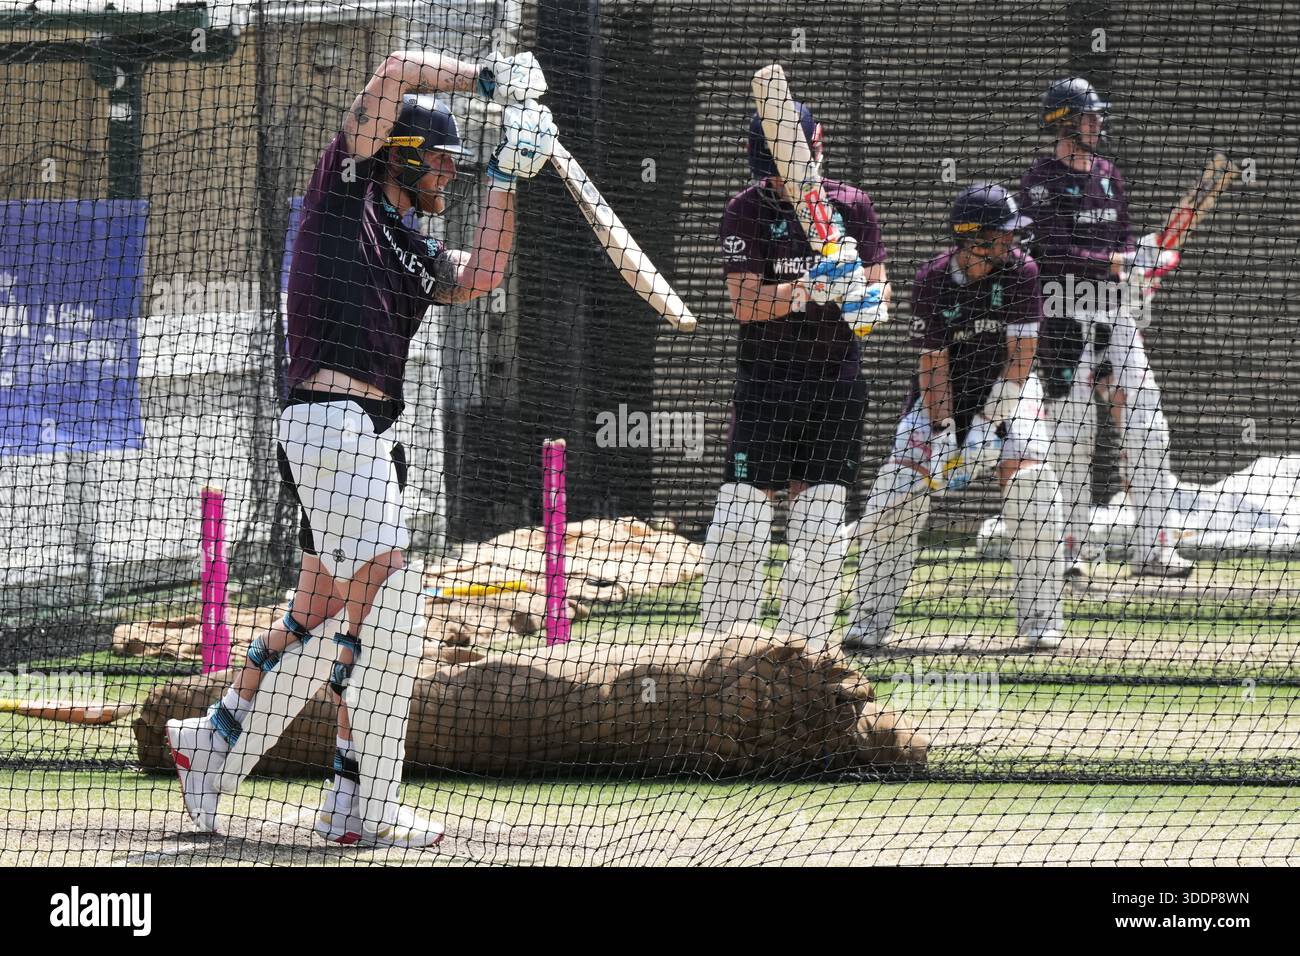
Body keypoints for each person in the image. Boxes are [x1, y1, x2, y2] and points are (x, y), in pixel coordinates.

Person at [165, 49, 556, 847]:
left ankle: (213, 738)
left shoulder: (413, 247)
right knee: (391, 607)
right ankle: (357, 804)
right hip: (331, 421)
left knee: (318, 613)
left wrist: (510, 179)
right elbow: (395, 70)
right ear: (403, 155)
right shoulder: (344, 190)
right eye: (442, 164)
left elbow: (479, 275)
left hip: (360, 436)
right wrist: (484, 82)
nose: (449, 179)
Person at [699, 102, 889, 649]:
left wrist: (866, 301)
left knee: (820, 525)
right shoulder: (745, 211)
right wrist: (805, 289)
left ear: (816, 147)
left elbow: (880, 288)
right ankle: (723, 650)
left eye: (789, 165)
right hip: (766, 384)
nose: (780, 180)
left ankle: (806, 652)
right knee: (739, 519)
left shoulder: (852, 206)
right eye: (771, 169)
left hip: (835, 384)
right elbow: (746, 304)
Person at [846, 184, 1066, 651]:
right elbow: (933, 366)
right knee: (895, 492)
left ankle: (1041, 619)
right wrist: (946, 437)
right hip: (944, 397)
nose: (1013, 242)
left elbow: (1022, 357)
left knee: (1034, 485)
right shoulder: (932, 280)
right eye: (1003, 235)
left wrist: (989, 425)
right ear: (973, 238)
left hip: (1009, 391)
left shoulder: (1023, 272)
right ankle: (869, 619)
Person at [1018, 77, 1189, 581]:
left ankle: (1152, 549)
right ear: (1065, 121)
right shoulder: (1038, 182)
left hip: (1115, 317)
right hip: (1064, 319)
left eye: (1097, 115)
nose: (1098, 123)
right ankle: (1067, 549)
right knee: (1072, 437)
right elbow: (1047, 251)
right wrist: (1116, 261)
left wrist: (1141, 265)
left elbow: (1124, 238)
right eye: (1089, 116)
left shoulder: (1110, 174)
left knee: (1149, 429)